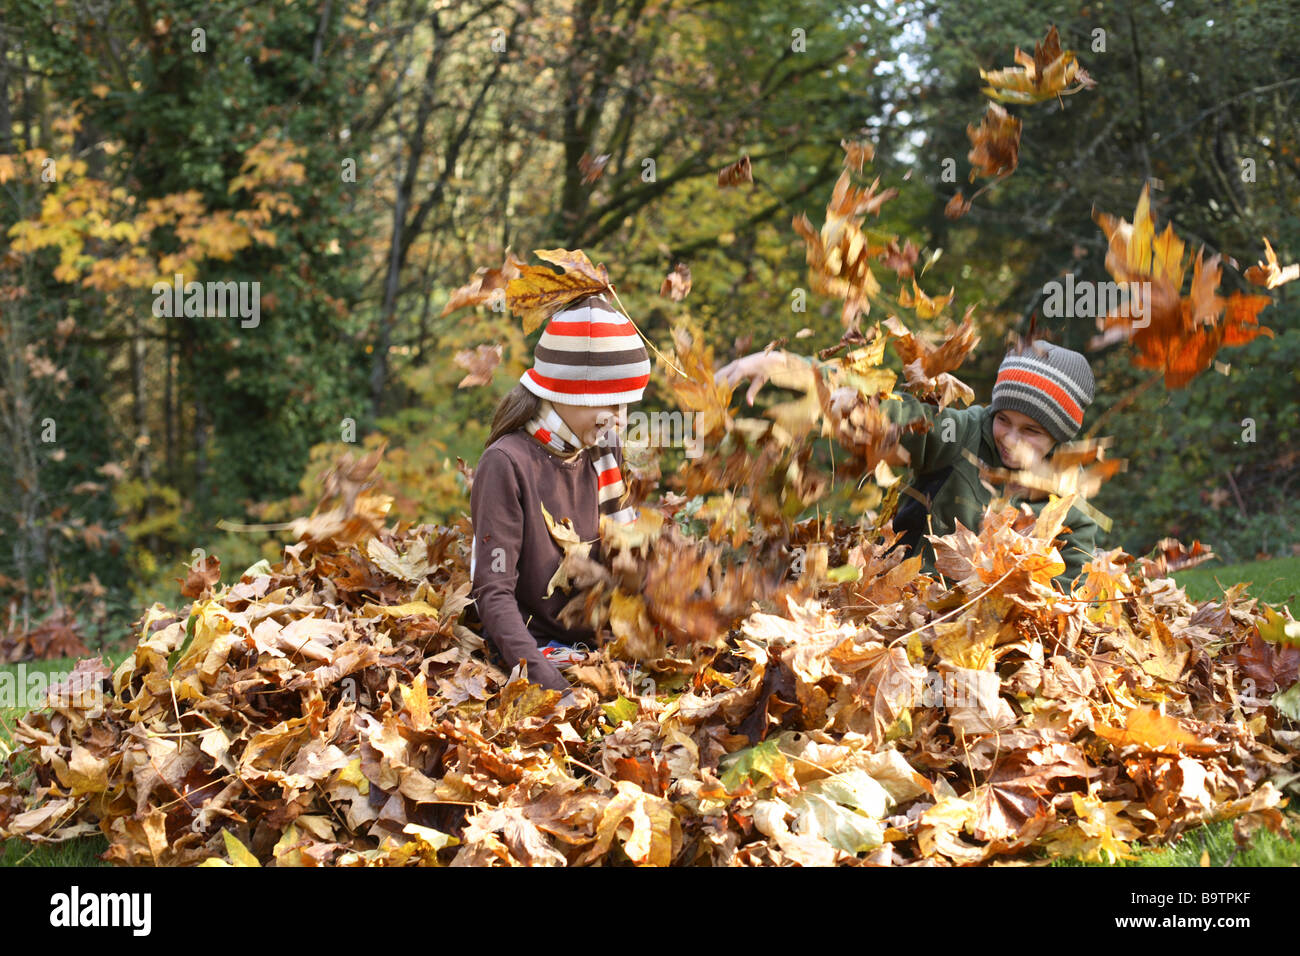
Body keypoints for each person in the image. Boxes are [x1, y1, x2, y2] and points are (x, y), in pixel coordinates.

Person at [715, 339, 1100, 590]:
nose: (1012, 438)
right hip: (903, 607)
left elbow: (1073, 580)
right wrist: (786, 365)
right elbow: (887, 412)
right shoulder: (960, 434)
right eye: (1004, 421)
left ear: (1059, 436)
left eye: (1031, 430)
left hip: (993, 640)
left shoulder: (1068, 493)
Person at [469, 293, 651, 693]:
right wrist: (551, 686)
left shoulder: (601, 450)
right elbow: (493, 593)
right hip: (536, 654)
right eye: (609, 405)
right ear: (567, 393)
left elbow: (628, 556)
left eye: (626, 406)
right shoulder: (507, 463)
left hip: (601, 643)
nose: (619, 420)